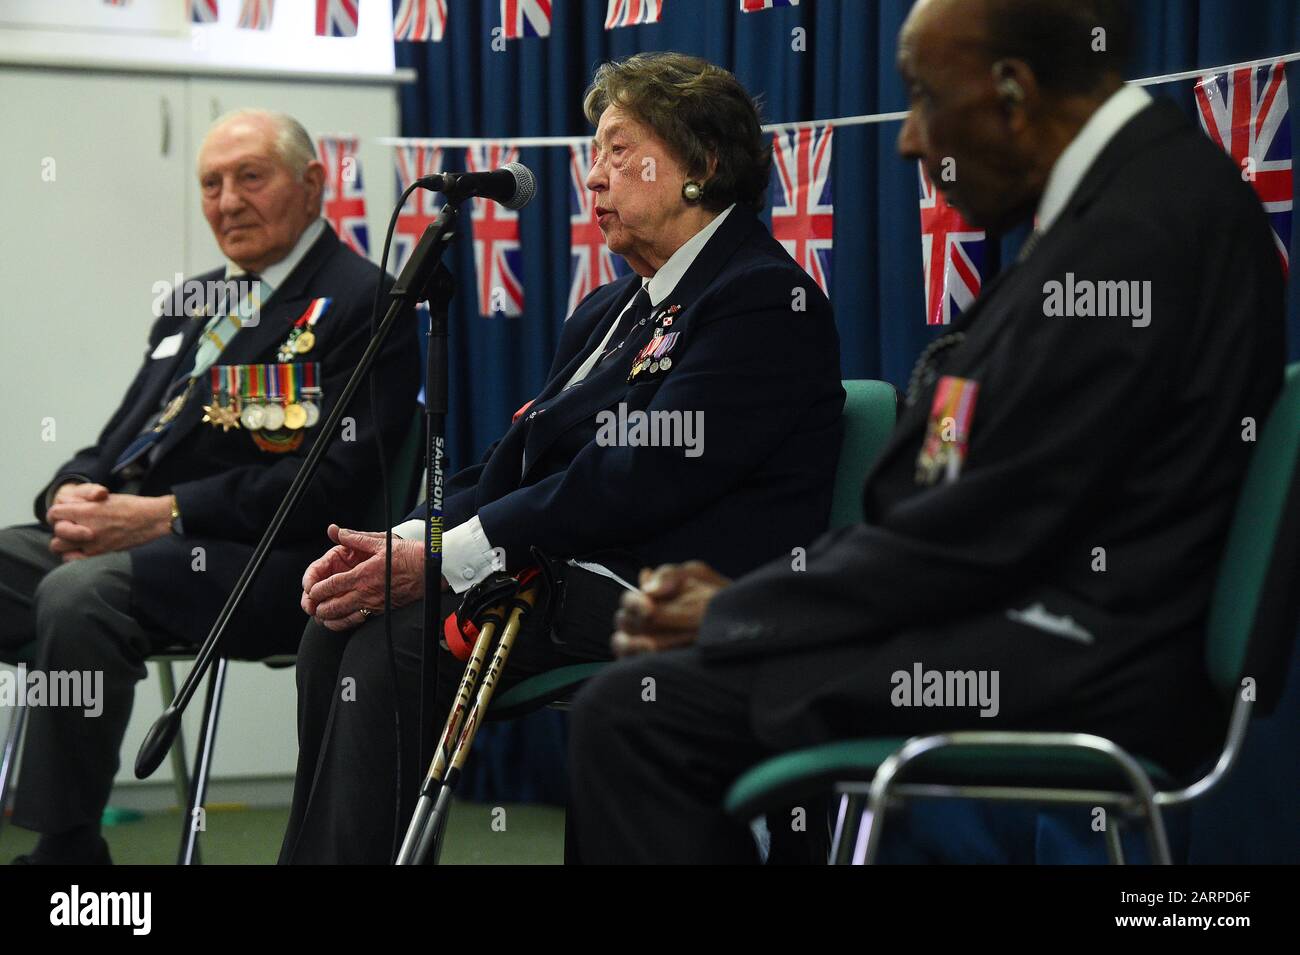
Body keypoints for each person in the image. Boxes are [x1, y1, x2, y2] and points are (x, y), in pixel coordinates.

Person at [566, 0, 1287, 863]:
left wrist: (741, 612)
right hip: (1030, 618)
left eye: (923, 99)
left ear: (1011, 91)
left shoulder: (1144, 231)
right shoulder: (1116, 206)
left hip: (1088, 659)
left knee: (639, 713)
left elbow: (981, 529)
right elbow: (961, 509)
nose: (910, 140)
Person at [278, 52, 845, 864]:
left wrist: (447, 559)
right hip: (563, 579)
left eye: (621, 151)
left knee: (395, 641)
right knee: (340, 623)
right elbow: (516, 462)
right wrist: (411, 538)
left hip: (670, 593)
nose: (594, 176)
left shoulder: (760, 299)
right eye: (594, 152)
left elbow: (637, 478)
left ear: (703, 165)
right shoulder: (609, 309)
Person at [0, 109, 420, 865]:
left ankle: (64, 851)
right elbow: (125, 434)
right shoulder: (196, 299)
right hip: (126, 537)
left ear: (313, 184)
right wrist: (68, 493)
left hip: (265, 561)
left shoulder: (366, 303)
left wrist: (162, 516)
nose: (228, 201)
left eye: (250, 178)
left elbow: (327, 484)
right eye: (211, 184)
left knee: (76, 595)